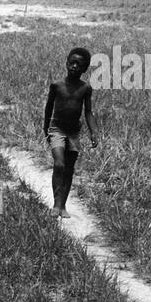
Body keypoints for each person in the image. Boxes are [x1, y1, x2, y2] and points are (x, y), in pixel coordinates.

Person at [43, 48, 99, 218]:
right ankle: (55, 203)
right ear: (66, 62)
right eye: (72, 62)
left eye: (79, 64)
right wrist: (46, 129)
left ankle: (62, 205)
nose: (74, 66)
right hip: (57, 129)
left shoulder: (85, 88)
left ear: (85, 69)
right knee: (59, 164)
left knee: (69, 169)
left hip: (74, 132)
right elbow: (48, 108)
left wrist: (93, 132)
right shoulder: (57, 85)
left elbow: (88, 112)